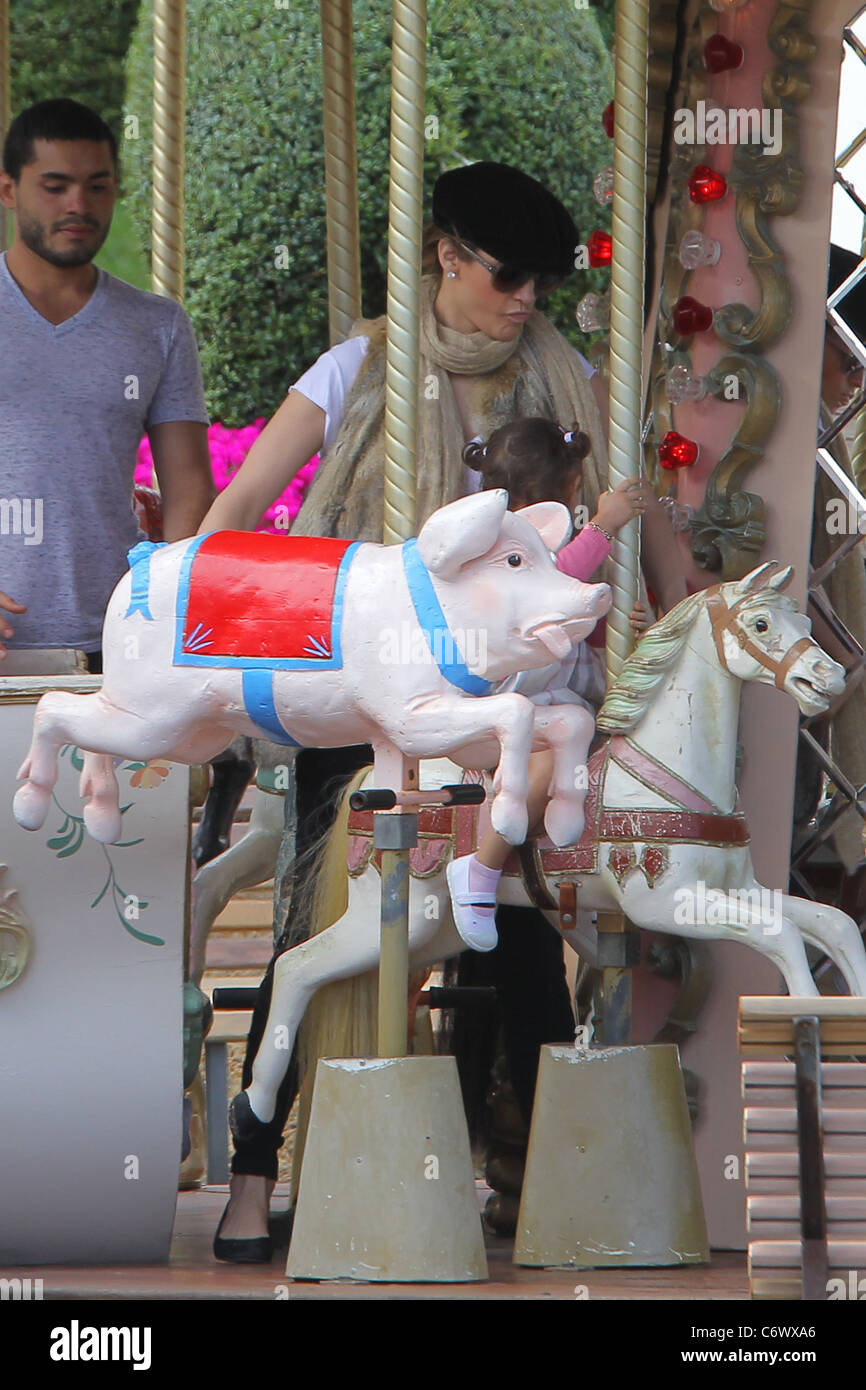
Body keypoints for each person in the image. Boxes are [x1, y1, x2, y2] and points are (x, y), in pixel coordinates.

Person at [202, 161, 685, 1261]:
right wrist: (208, 616)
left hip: (512, 706)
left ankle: (547, 1183)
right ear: (445, 257)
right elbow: (236, 510)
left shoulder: (571, 382)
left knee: (521, 946)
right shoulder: (358, 367)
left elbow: (650, 534)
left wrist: (691, 612)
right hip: (379, 693)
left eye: (539, 282)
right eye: (506, 274)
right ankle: (250, 1173)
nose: (524, 300)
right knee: (308, 935)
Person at [0, 99, 213, 672]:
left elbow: (189, 485)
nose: (78, 205)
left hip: (116, 640)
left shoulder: (157, 325)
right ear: (8, 189)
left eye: (97, 186)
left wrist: (164, 605)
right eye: (55, 185)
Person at [446, 417, 649, 952]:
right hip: (506, 699)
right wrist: (604, 527)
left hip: (551, 694)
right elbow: (554, 580)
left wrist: (620, 624)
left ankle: (566, 816)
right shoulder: (501, 545)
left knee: (585, 735)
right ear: (567, 491)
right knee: (537, 760)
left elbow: (570, 616)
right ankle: (480, 869)